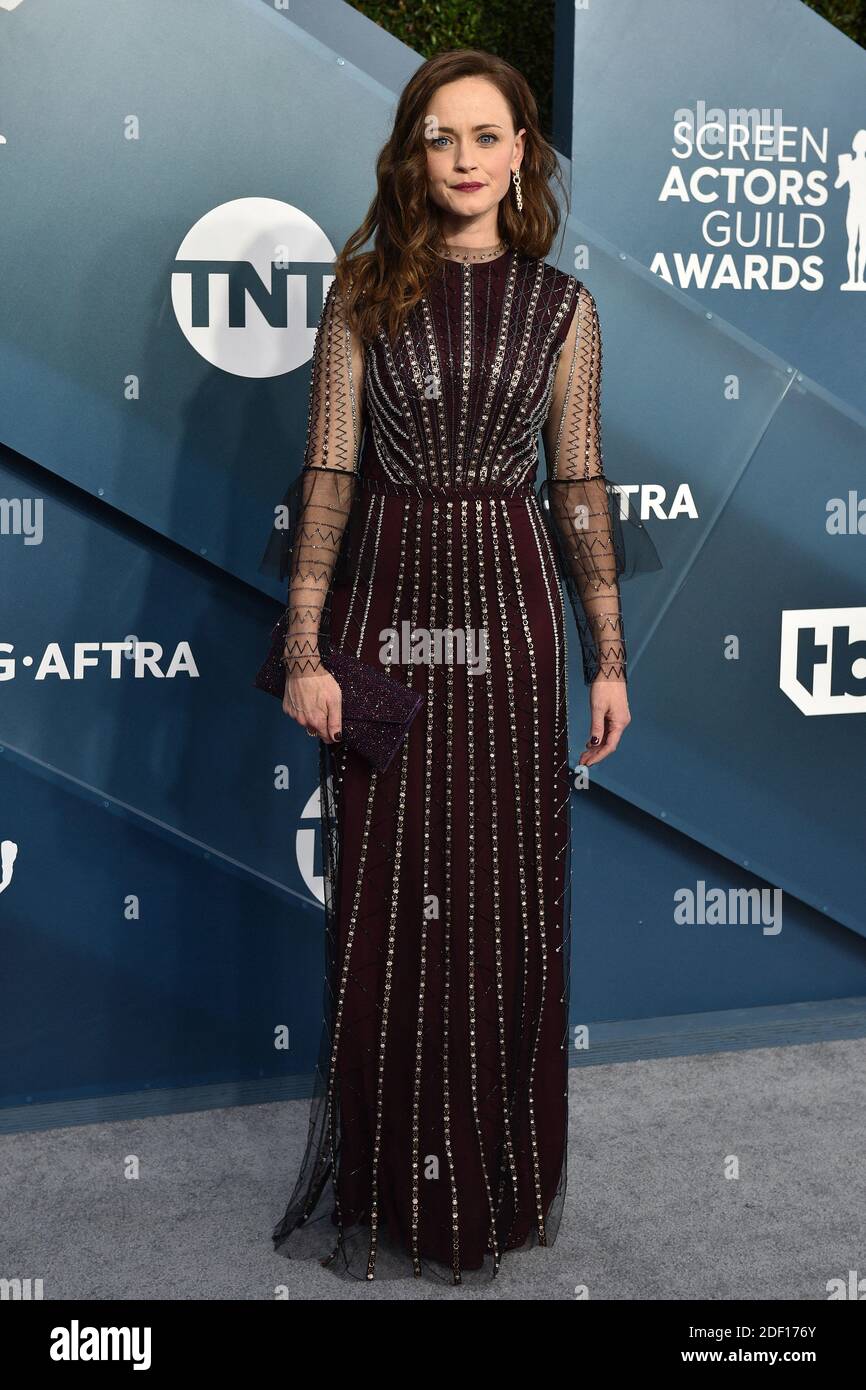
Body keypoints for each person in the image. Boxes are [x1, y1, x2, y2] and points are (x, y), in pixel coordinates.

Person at [259, 48, 660, 1286]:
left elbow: (577, 485)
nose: (468, 158)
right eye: (442, 138)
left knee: (498, 906)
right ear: (413, 156)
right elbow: (330, 476)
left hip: (509, 619)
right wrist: (303, 643)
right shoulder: (363, 292)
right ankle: (386, 1193)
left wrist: (607, 654)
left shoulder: (563, 309)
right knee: (382, 907)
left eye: (489, 136)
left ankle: (484, 1190)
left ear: (524, 154)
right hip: (385, 611)